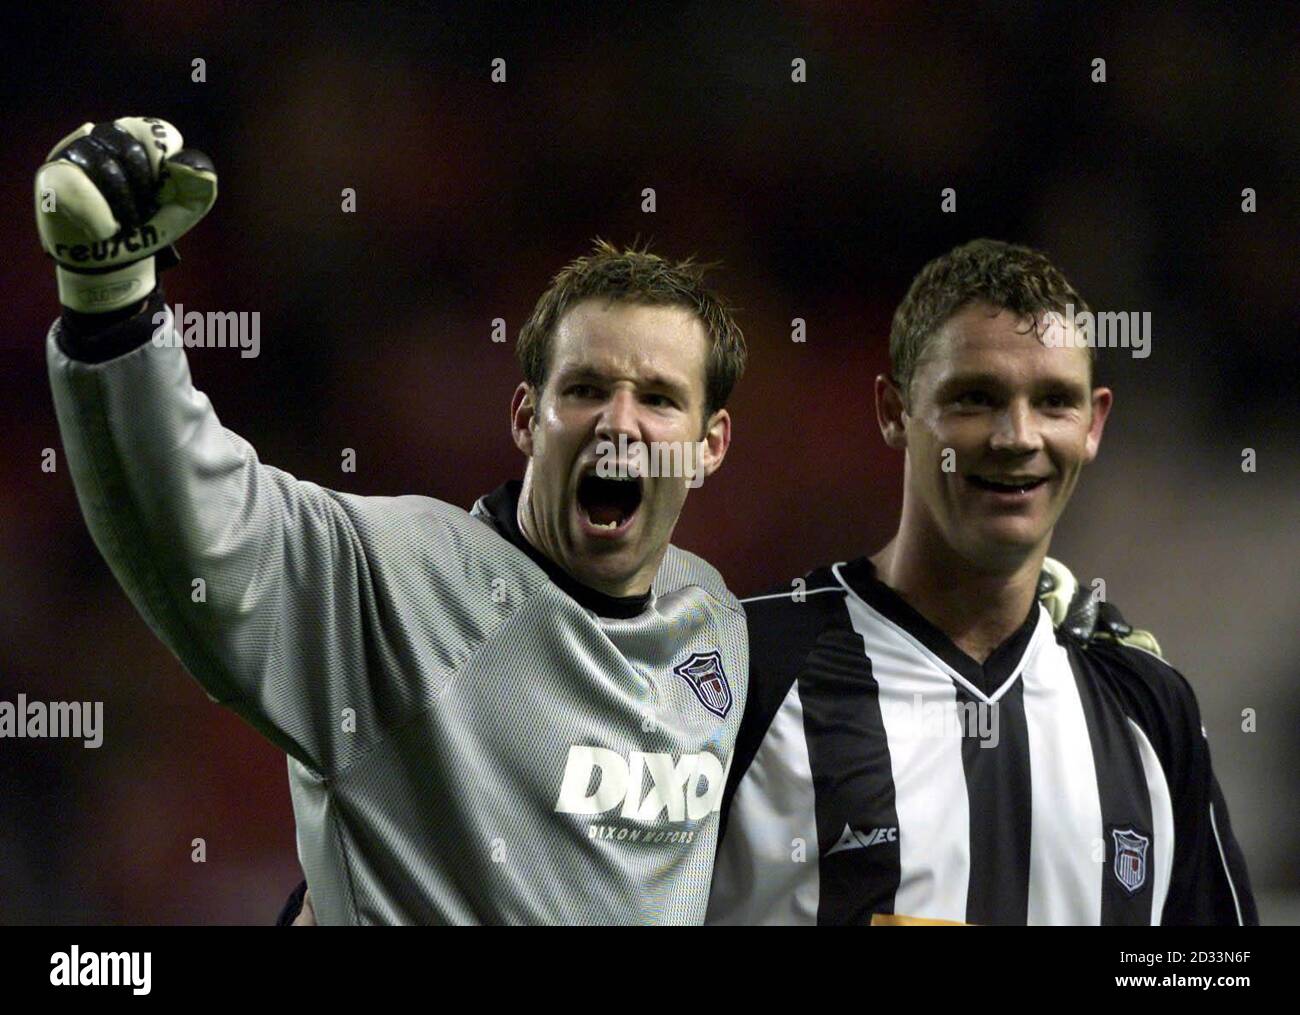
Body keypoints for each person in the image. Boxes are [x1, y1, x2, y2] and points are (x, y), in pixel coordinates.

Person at [39, 116, 750, 925]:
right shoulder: (402, 575)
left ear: (708, 446)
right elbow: (196, 523)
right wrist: (114, 313)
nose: (619, 422)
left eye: (658, 398)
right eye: (585, 388)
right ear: (526, 418)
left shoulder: (720, 621)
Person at [706, 239, 1257, 926]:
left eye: (1054, 401)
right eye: (975, 398)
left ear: (1094, 424)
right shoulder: (742, 671)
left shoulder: (1147, 705)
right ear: (892, 410)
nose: (1017, 435)